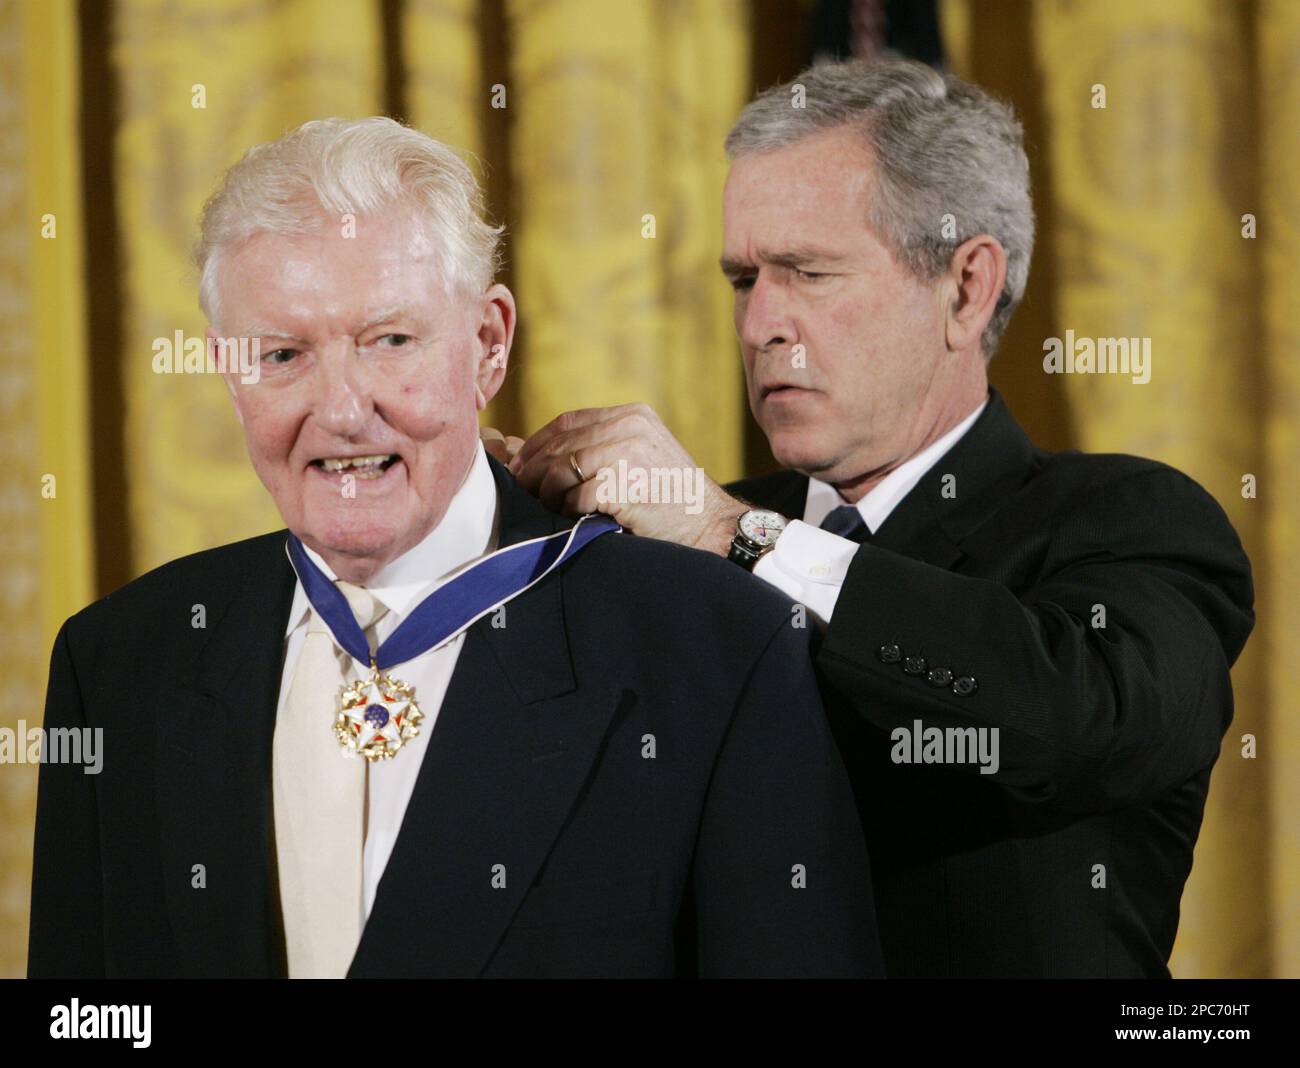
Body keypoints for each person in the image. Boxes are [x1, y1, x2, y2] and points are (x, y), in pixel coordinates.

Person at [27, 117, 883, 979]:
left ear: (487, 344)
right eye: (282, 354)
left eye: (389, 341)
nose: (342, 410)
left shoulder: (712, 649)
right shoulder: (119, 664)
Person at [506, 59, 1255, 977]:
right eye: (745, 280)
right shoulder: (679, 534)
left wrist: (733, 536)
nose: (758, 325)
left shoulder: (1128, 519)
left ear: (966, 287)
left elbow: (1066, 718)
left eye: (809, 273)